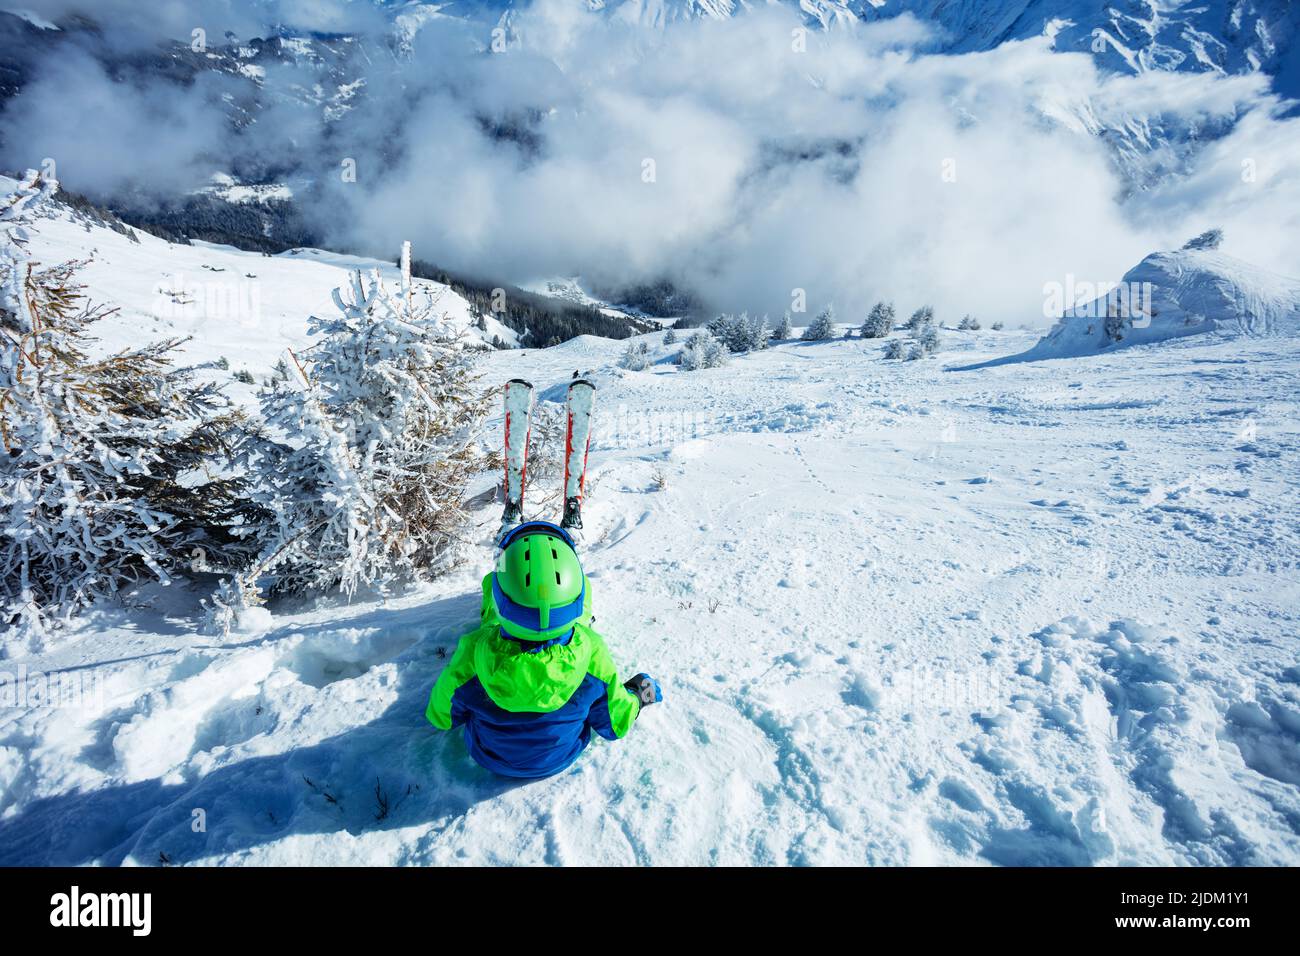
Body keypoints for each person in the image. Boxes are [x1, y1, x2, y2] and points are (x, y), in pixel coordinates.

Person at [426, 520, 662, 778]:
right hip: (560, 757)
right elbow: (614, 724)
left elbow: (442, 717)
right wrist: (639, 695)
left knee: (493, 624)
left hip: (488, 756)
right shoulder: (592, 652)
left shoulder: (474, 649)